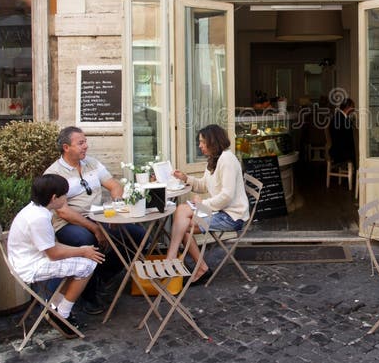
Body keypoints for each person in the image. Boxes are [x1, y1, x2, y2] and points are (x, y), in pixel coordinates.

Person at [44, 126, 144, 313]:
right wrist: (95, 229)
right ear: (66, 147)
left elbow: (114, 185)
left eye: (85, 141)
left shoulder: (92, 163)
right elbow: (63, 212)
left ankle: (101, 276)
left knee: (138, 235)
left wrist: (116, 206)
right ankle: (89, 297)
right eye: (80, 143)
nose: (86, 146)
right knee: (87, 241)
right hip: (68, 223)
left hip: (97, 216)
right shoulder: (54, 173)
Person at [7, 175, 104, 338]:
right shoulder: (39, 218)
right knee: (88, 265)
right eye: (64, 195)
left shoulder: (35, 209)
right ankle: (62, 315)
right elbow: (53, 253)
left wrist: (81, 249)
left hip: (31, 257)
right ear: (54, 198)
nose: (66, 198)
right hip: (30, 265)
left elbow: (51, 245)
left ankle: (56, 307)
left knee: (83, 260)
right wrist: (83, 251)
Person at [165, 124, 250, 285]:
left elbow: (226, 196)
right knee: (182, 222)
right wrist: (185, 178)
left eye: (202, 142)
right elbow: (204, 185)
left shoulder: (227, 160)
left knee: (181, 218)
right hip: (220, 211)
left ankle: (174, 259)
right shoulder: (214, 159)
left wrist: (201, 204)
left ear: (213, 141)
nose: (200, 146)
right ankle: (196, 266)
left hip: (231, 216)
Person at [328, 97, 356, 165]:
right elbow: (348, 136)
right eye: (353, 107)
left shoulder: (340, 116)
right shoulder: (341, 119)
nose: (354, 109)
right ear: (348, 107)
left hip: (339, 148)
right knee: (360, 152)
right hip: (340, 151)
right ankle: (357, 172)